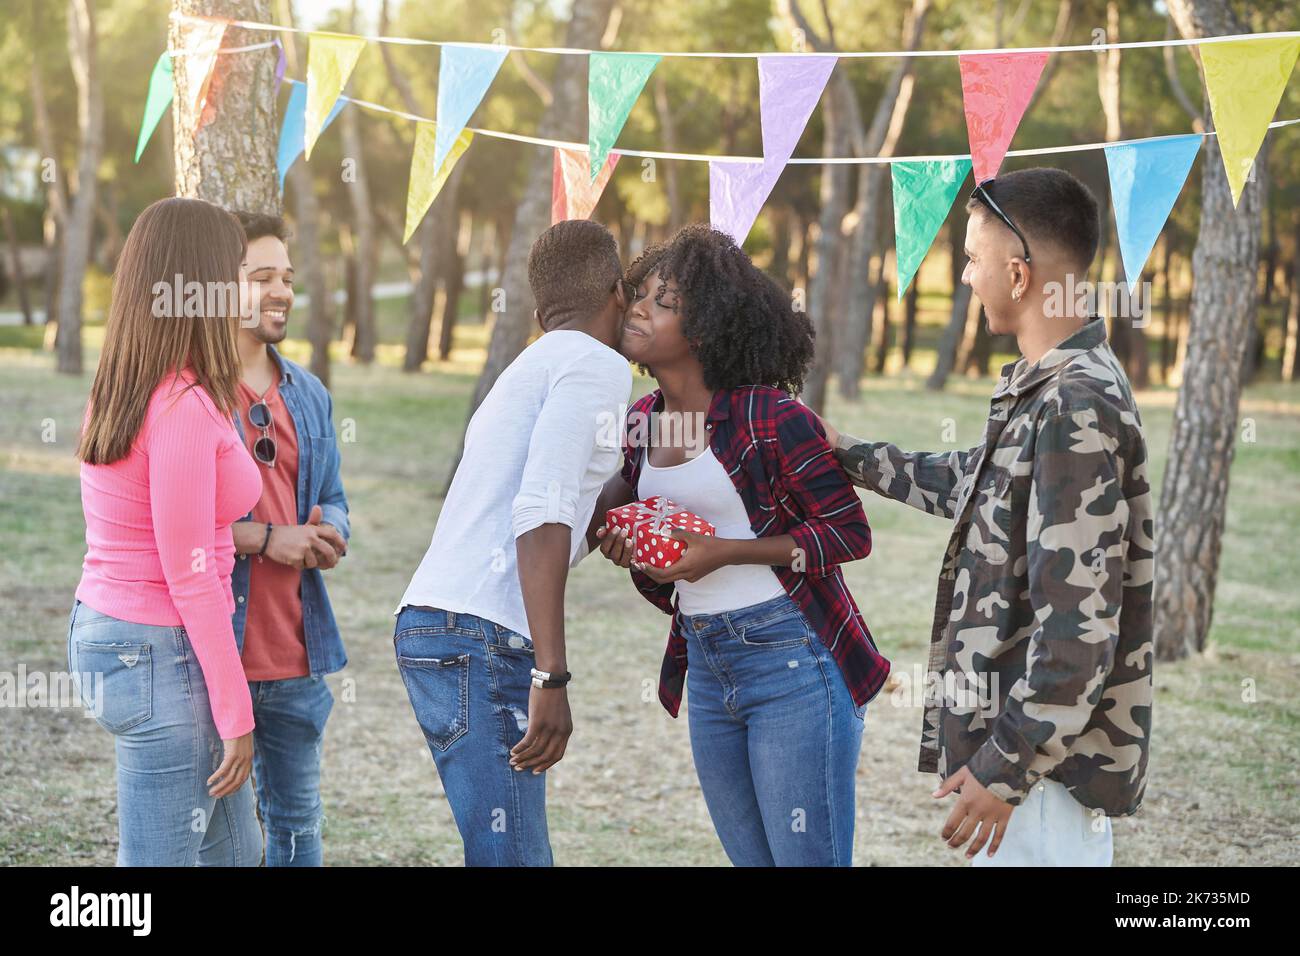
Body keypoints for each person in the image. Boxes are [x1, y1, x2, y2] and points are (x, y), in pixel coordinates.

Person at [820, 167, 1154, 866]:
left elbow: (1080, 628)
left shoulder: (1074, 404)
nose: (967, 278)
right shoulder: (1053, 384)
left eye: (972, 261)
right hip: (1024, 765)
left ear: (1020, 273)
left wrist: (1007, 766)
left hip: (1043, 785)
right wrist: (845, 454)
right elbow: (973, 484)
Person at [590, 224, 890, 866]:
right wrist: (631, 546)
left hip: (792, 661)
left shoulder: (769, 417)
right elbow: (653, 539)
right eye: (638, 295)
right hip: (705, 660)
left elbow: (848, 533)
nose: (638, 308)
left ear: (703, 330)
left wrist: (727, 552)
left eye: (662, 302)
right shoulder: (641, 421)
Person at [394, 219, 633, 866]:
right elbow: (539, 511)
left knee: (503, 850)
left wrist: (623, 495)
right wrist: (550, 674)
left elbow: (552, 505)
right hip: (481, 636)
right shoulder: (597, 365)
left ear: (538, 311)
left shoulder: (531, 366)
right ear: (620, 290)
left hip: (435, 628)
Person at [69, 197, 264, 866]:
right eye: (239, 270)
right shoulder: (179, 404)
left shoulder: (126, 384)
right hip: (158, 654)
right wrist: (237, 714)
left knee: (237, 854)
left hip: (117, 634)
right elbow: (189, 571)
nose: (249, 286)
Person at [227, 211, 350, 867]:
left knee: (298, 831)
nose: (282, 291)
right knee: (217, 837)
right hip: (214, 661)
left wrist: (331, 529)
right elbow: (174, 531)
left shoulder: (309, 394)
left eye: (288, 278)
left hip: (298, 659)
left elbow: (333, 497)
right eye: (263, 276)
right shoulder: (193, 394)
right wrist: (268, 538)